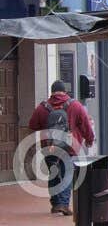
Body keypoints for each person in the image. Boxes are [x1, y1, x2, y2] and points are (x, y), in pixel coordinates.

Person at [28, 79, 95, 215]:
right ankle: (63, 204)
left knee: (53, 175)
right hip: (69, 148)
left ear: (52, 92)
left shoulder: (42, 108)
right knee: (67, 175)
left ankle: (56, 203)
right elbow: (85, 125)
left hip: (49, 147)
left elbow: (33, 125)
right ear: (65, 91)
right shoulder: (75, 105)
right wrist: (89, 139)